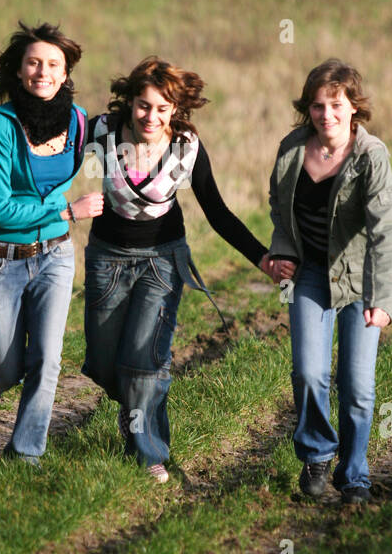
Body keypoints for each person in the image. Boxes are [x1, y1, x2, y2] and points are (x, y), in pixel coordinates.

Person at [81, 57, 276, 483]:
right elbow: (56, 166)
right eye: (143, 106)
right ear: (130, 102)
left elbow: (217, 212)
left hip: (162, 260)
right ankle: (139, 403)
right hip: (106, 258)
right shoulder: (101, 132)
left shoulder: (186, 146)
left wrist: (260, 257)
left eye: (162, 108)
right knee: (102, 363)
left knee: (144, 360)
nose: (151, 116)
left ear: (175, 110)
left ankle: (148, 450)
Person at [267, 58, 392, 504]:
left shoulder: (371, 156)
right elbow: (279, 206)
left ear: (353, 108)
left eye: (335, 105)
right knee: (309, 372)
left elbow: (386, 230)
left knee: (358, 387)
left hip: (362, 276)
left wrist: (382, 298)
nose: (326, 115)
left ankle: (355, 477)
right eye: (317, 106)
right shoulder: (291, 149)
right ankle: (316, 454)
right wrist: (284, 250)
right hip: (310, 273)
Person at [0, 21, 103, 464]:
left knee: (46, 358)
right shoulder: (2, 127)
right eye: (33, 63)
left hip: (55, 255)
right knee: (10, 367)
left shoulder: (79, 122)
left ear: (65, 73)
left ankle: (25, 456)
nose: (42, 72)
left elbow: (127, 143)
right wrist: (66, 211)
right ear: (20, 70)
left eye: (52, 64)